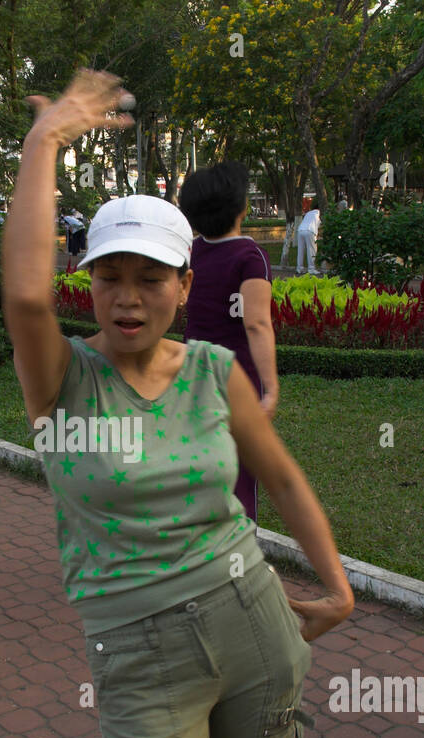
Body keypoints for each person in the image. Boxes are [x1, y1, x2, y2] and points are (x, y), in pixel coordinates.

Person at [3, 71, 354, 738]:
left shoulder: (210, 371)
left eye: (150, 278)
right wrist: (44, 143)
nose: (127, 298)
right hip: (138, 649)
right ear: (86, 281)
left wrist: (336, 587)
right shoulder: (62, 379)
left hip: (255, 621)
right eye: (107, 277)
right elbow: (25, 299)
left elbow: (288, 482)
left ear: (185, 285)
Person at [178, 160, 279, 523]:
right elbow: (257, 324)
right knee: (238, 474)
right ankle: (237, 563)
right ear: (243, 208)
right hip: (238, 385)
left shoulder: (190, 252)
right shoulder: (250, 257)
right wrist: (270, 388)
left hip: (191, 377)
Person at [295, 203, 321, 276]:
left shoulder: (309, 213)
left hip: (300, 230)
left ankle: (299, 268)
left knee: (300, 250)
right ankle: (311, 269)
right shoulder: (319, 213)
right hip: (310, 231)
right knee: (311, 250)